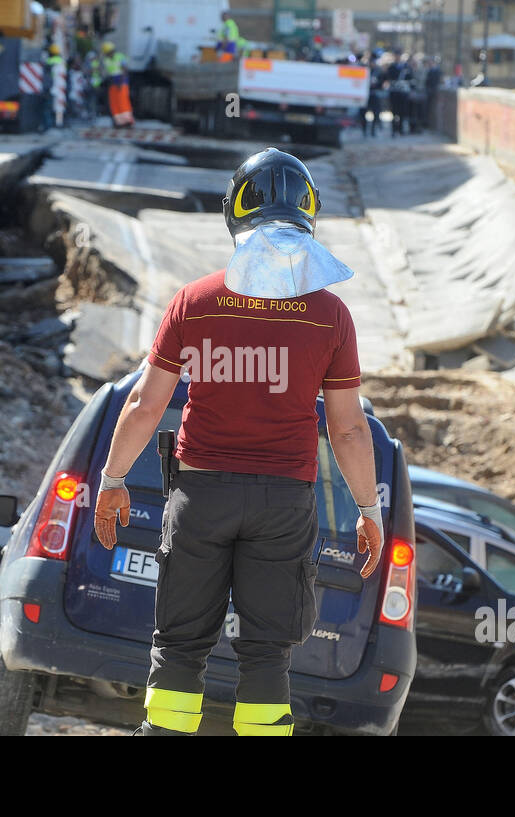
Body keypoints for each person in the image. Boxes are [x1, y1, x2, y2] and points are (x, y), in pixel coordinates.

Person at [93, 148, 384, 736]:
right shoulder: (331, 316)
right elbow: (348, 427)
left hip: (201, 496)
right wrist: (368, 508)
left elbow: (146, 403)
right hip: (284, 503)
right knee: (267, 652)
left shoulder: (194, 302)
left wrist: (113, 480)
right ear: (309, 216)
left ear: (235, 213)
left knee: (178, 645)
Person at [102, 42, 134, 128]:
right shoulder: (106, 60)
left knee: (122, 101)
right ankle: (118, 122)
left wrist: (121, 82)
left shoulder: (120, 57)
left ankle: (127, 121)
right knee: (114, 103)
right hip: (112, 82)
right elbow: (108, 72)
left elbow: (124, 70)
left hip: (121, 82)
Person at [41, 43, 64, 131]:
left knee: (47, 108)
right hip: (59, 89)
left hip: (51, 88)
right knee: (54, 108)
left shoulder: (49, 61)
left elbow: (46, 75)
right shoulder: (61, 61)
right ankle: (55, 123)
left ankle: (48, 126)